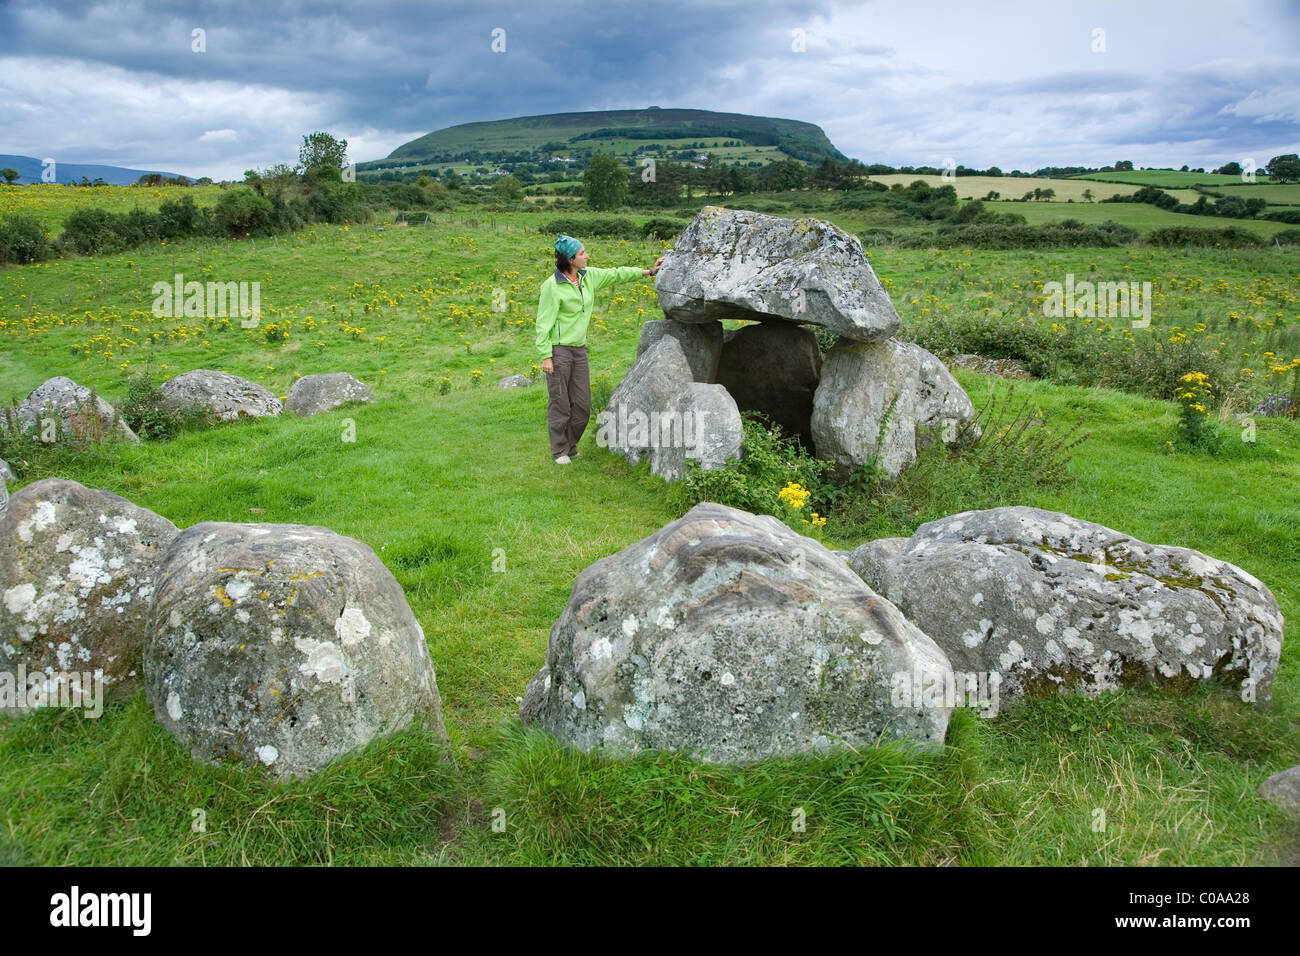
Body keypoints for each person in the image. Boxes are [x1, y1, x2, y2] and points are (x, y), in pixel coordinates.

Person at [535, 234, 665, 464]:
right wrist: (546, 355)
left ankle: (570, 444)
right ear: (570, 259)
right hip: (559, 351)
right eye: (582, 253)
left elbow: (617, 273)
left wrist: (648, 272)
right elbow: (543, 323)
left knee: (583, 406)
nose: (587, 256)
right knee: (560, 403)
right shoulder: (552, 287)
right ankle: (560, 451)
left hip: (579, 351)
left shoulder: (589, 277)